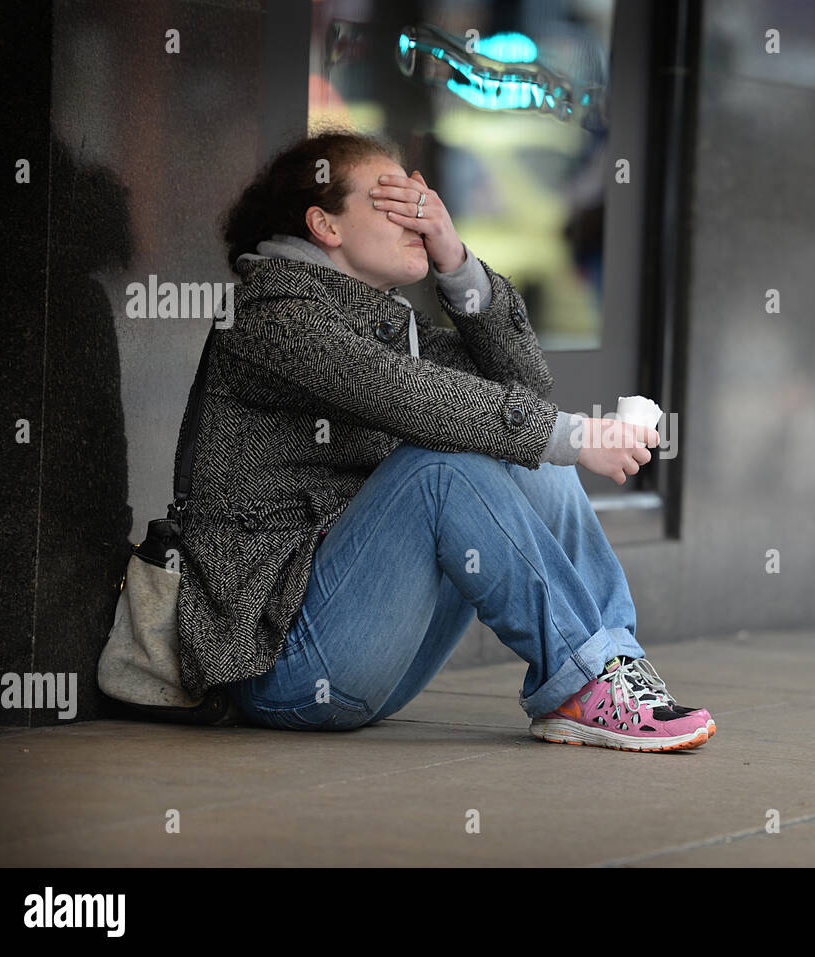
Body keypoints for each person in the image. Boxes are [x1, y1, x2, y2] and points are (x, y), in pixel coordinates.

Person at [173, 130, 716, 752]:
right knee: (442, 464)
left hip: (373, 659)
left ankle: (609, 670)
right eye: (394, 202)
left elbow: (524, 389)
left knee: (525, 456)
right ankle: (584, 681)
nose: (420, 215)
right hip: (281, 667)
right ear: (325, 224)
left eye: (421, 198)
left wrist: (456, 262)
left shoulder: (381, 319)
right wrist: (577, 434)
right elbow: (408, 396)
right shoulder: (271, 316)